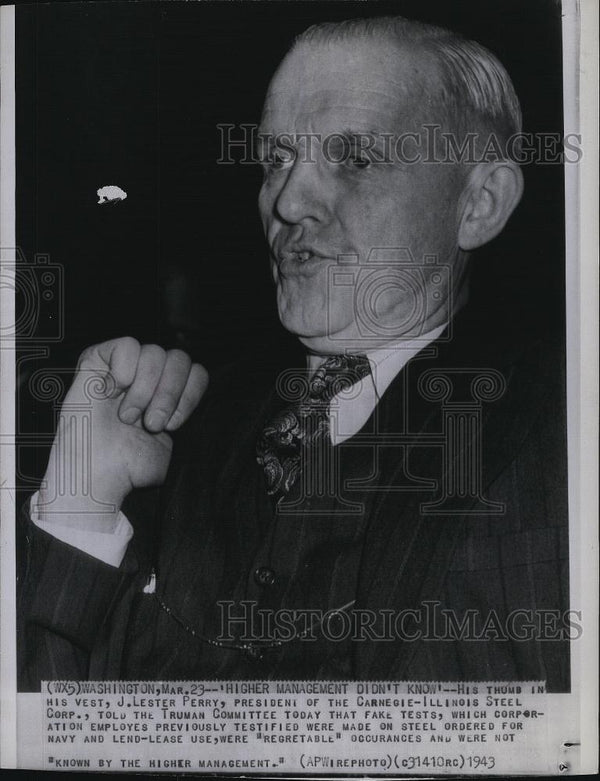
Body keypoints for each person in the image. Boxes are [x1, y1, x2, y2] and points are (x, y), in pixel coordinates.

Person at [17, 16, 569, 691]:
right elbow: (41, 735)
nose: (288, 199)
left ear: (480, 203)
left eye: (355, 158)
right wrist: (84, 504)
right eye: (276, 159)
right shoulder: (180, 430)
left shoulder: (563, 423)